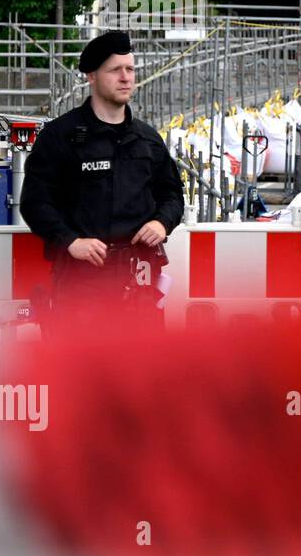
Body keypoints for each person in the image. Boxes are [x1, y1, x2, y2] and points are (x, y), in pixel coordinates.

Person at [20, 31, 185, 336]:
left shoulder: (147, 139)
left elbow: (173, 193)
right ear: (91, 77)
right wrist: (70, 241)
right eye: (115, 70)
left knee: (142, 375)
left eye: (131, 69)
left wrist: (162, 223)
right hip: (83, 282)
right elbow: (35, 202)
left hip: (140, 280)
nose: (126, 78)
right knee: (80, 374)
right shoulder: (61, 137)